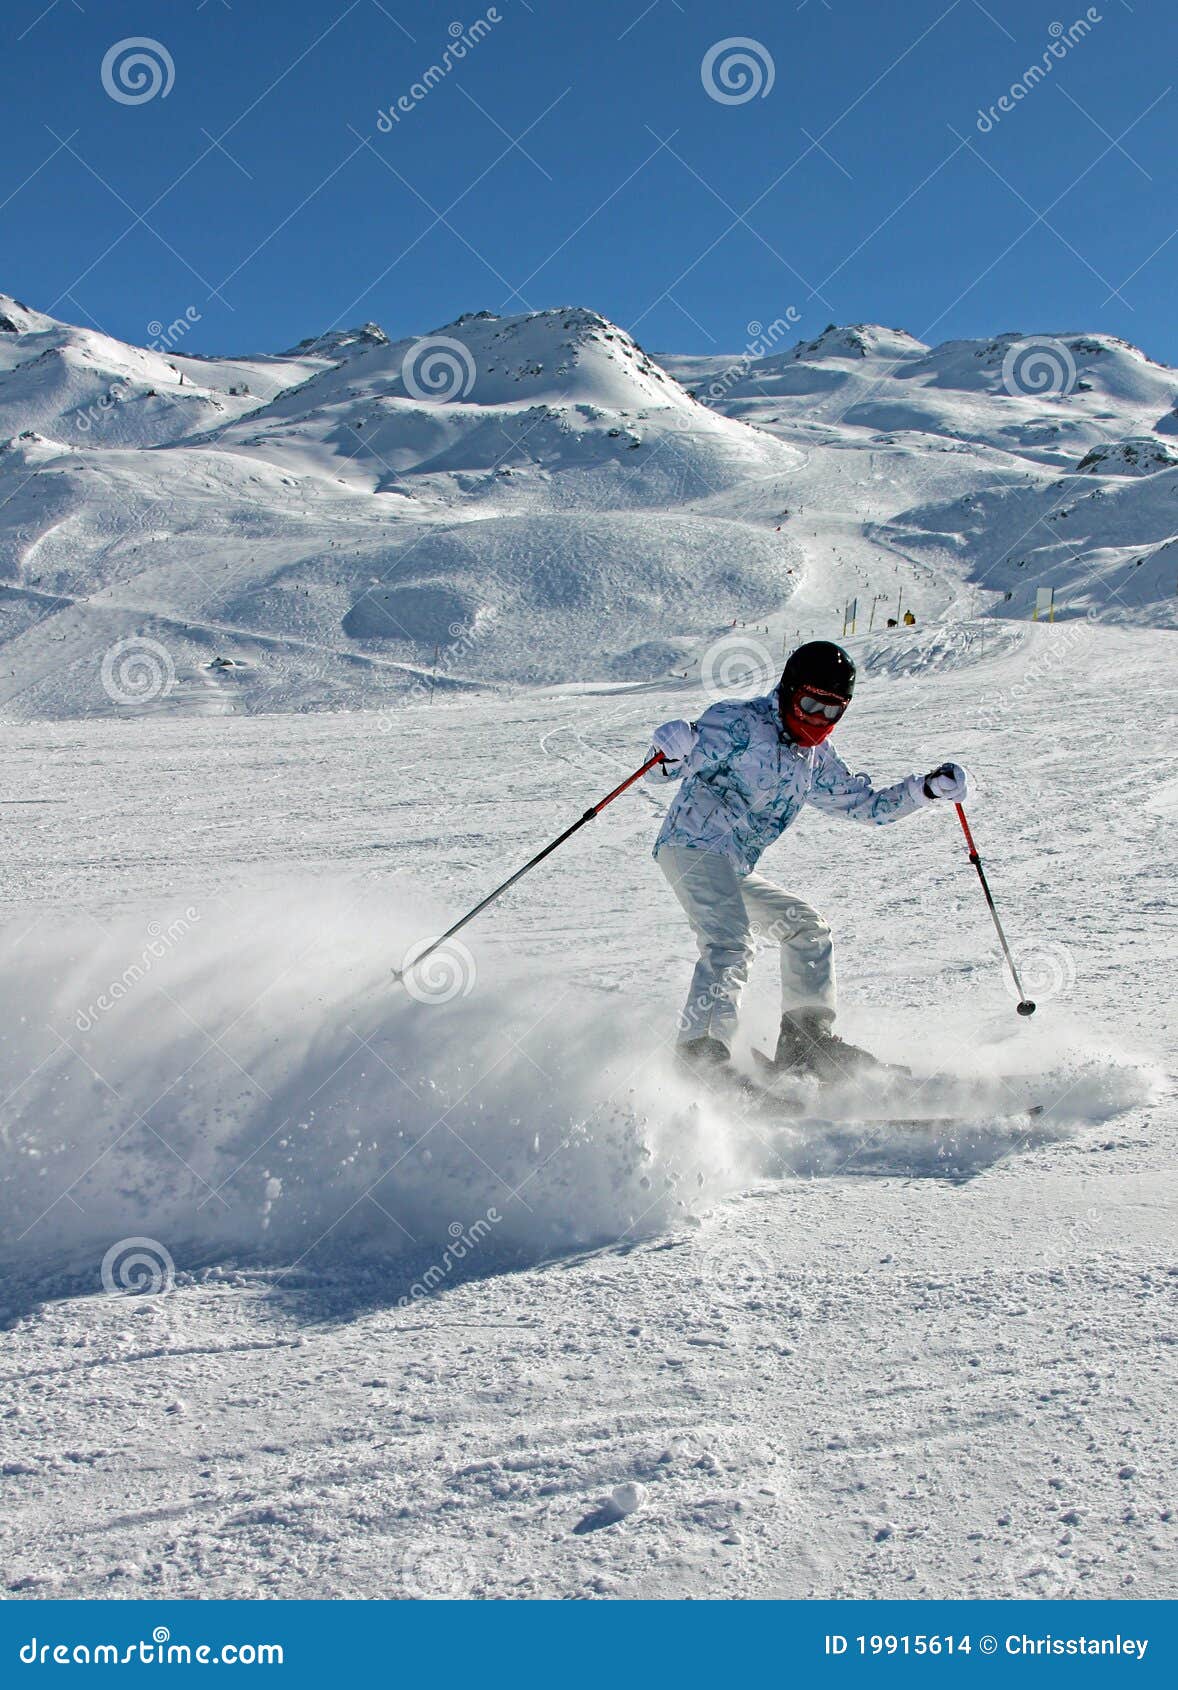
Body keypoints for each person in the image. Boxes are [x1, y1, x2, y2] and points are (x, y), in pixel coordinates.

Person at [645, 641, 966, 1079]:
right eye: (809, 703)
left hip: (733, 866)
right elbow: (667, 766)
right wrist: (670, 748)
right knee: (730, 942)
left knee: (805, 928)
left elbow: (864, 806)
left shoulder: (814, 760)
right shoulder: (739, 722)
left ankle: (807, 1046)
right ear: (788, 690)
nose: (817, 719)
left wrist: (924, 790)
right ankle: (700, 1060)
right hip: (693, 845)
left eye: (831, 710)